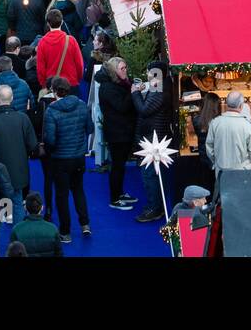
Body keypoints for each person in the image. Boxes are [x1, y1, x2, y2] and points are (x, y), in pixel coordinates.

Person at [0, 83, 38, 222]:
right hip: (19, 169)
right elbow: (32, 144)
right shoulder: (23, 118)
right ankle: (17, 237)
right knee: (17, 201)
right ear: (12, 99)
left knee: (0, 204)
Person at [43, 76, 92, 242]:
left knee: (62, 195)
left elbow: (50, 139)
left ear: (54, 91)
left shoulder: (51, 111)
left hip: (60, 159)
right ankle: (85, 224)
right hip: (78, 157)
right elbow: (90, 128)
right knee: (78, 189)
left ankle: (65, 232)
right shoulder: (81, 105)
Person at [96, 57, 137, 211]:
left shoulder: (120, 83)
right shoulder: (108, 88)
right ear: (114, 71)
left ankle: (119, 193)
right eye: (122, 68)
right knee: (117, 165)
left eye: (126, 67)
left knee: (120, 165)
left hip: (123, 129)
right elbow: (122, 106)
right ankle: (114, 198)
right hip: (117, 132)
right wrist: (132, 93)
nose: (125, 70)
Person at [132, 66, 171, 224]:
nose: (147, 74)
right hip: (153, 137)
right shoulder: (159, 88)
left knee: (150, 175)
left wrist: (135, 93)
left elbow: (144, 110)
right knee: (154, 175)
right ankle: (156, 207)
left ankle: (154, 208)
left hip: (153, 140)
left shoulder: (158, 92)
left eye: (149, 71)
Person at [205, 91, 251, 173]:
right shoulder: (249, 126)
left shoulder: (215, 123)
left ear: (226, 103)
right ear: (241, 105)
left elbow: (209, 147)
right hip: (243, 172)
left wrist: (217, 162)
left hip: (221, 171)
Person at [36, 10, 84, 88]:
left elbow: (40, 68)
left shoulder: (42, 43)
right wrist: (77, 80)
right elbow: (79, 65)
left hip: (53, 85)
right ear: (62, 22)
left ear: (48, 24)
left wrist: (44, 84)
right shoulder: (71, 40)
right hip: (70, 83)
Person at [8, 191, 62, 257]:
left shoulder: (16, 230)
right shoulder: (53, 229)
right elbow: (59, 254)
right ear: (42, 208)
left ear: (25, 208)